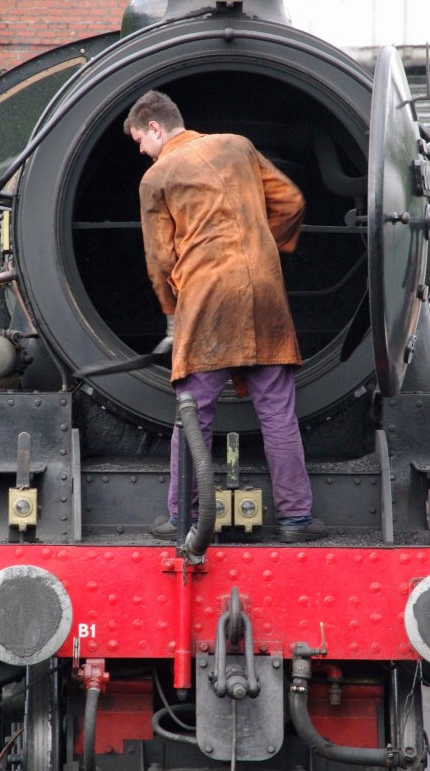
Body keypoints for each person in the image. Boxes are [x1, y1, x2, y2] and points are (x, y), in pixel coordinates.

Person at [124, 89, 327, 543]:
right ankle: (295, 520)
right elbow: (291, 203)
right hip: (266, 297)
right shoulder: (238, 145)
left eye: (140, 139)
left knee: (193, 414)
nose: (140, 150)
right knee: (277, 412)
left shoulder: (156, 178)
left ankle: (184, 519)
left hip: (207, 301)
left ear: (155, 127)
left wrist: (172, 314)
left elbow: (158, 260)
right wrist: (262, 252)